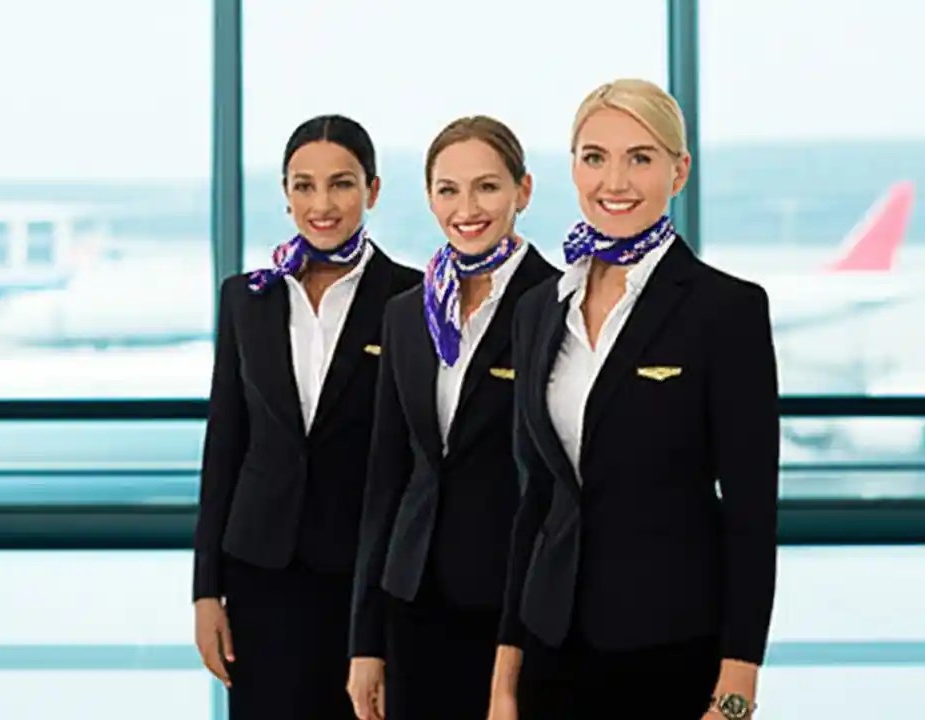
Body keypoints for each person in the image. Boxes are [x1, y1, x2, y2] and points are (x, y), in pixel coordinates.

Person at [487, 78, 780, 720]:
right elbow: (535, 501)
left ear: (679, 172)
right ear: (572, 168)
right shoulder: (539, 309)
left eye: (640, 157)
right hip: (550, 649)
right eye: (595, 157)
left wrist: (736, 688)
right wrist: (505, 679)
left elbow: (752, 513)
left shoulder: (725, 310)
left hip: (671, 652)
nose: (614, 181)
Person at [192, 114, 423, 720]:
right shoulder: (247, 297)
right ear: (286, 192)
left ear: (372, 190)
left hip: (365, 575)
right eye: (304, 185)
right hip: (259, 572)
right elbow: (225, 446)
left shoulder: (414, 298)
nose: (322, 204)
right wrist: (205, 591)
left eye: (342, 184)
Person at [345, 116, 558, 720]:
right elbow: (386, 481)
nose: (467, 207)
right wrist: (365, 643)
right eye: (448, 189)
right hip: (414, 602)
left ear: (523, 190)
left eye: (487, 187)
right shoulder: (407, 315)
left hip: (517, 607)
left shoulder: (558, 304)